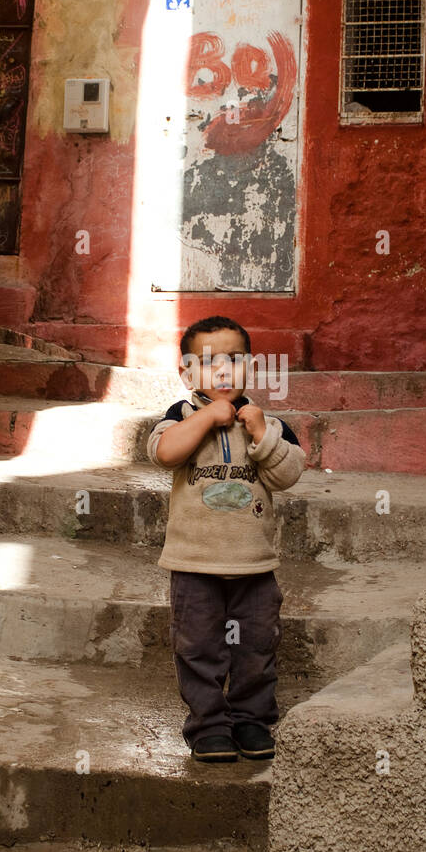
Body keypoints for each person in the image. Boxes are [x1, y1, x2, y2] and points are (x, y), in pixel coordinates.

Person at [147, 316, 306, 763]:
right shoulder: (179, 418)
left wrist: (259, 431)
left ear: (249, 368)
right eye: (208, 363)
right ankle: (209, 727)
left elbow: (288, 474)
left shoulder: (268, 423)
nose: (222, 372)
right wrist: (206, 419)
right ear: (186, 374)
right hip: (194, 564)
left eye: (233, 361)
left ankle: (251, 720)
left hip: (253, 565)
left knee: (256, 646)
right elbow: (164, 453)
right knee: (198, 647)